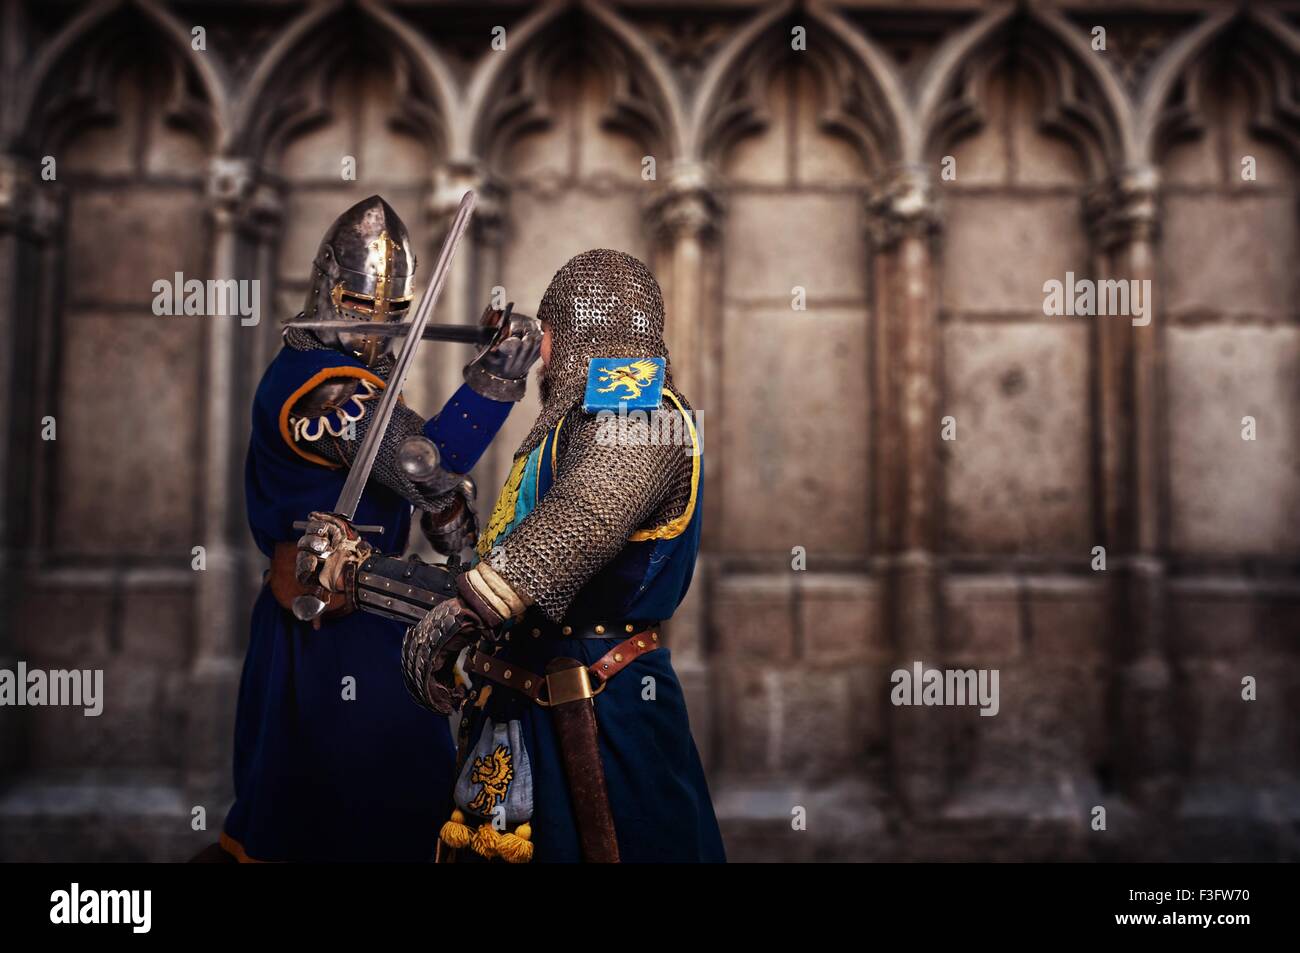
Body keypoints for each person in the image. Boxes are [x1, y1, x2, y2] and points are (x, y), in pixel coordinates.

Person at [300, 249, 724, 862]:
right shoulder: (570, 425)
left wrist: (468, 608)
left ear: (563, 333)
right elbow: (510, 556)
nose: (541, 353)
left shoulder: (640, 407)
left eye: (545, 336)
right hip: (523, 698)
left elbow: (588, 518)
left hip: (602, 706)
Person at [218, 195, 541, 862]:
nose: (378, 327)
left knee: (395, 808)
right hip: (325, 625)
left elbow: (431, 483)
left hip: (376, 615)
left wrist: (454, 518)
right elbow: (421, 461)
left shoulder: (351, 379)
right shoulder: (315, 384)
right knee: (338, 812)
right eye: (362, 306)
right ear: (328, 289)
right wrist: (493, 382)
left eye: (394, 312)